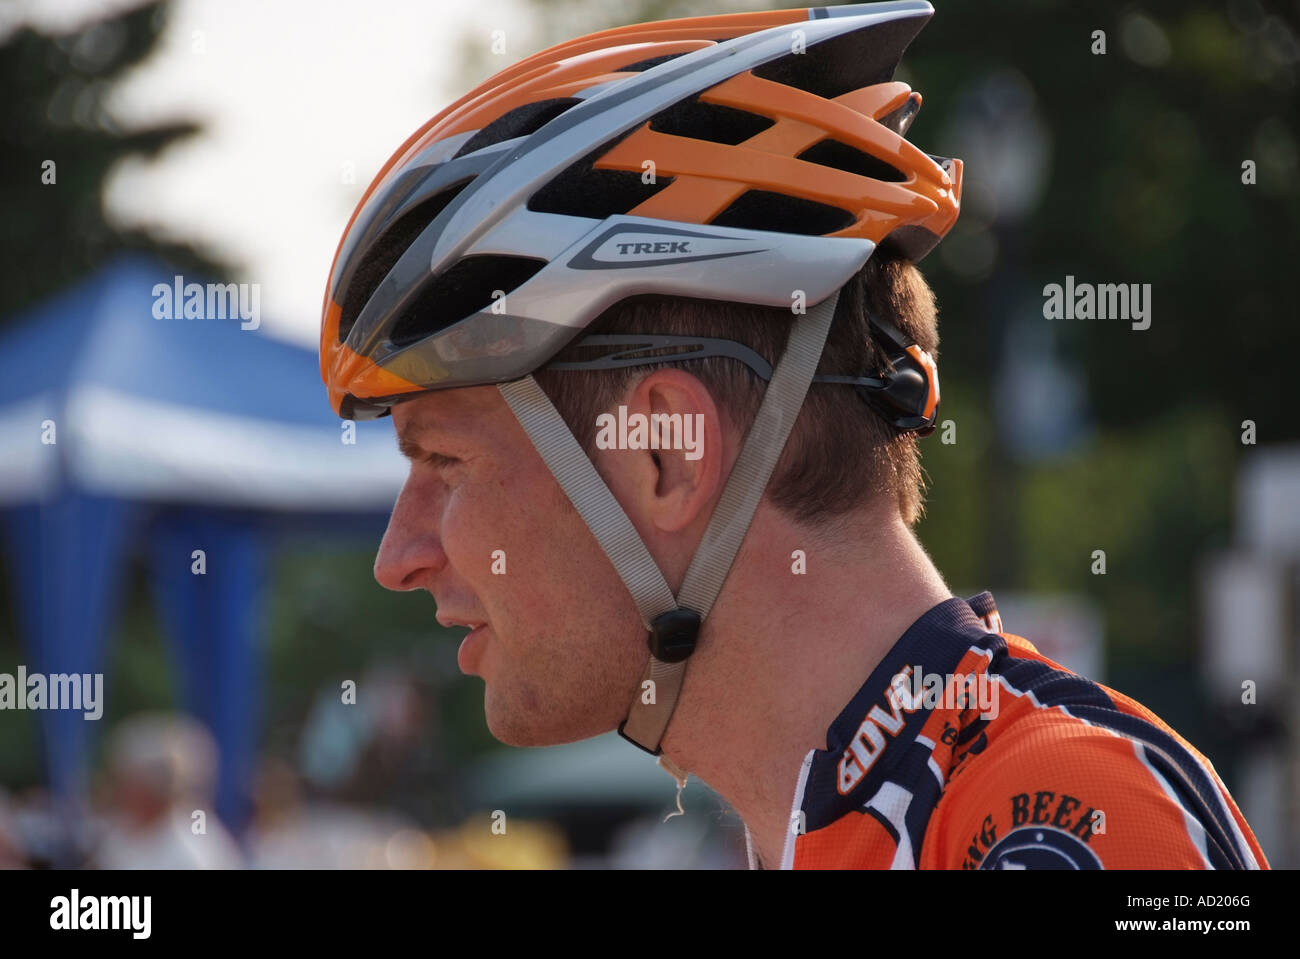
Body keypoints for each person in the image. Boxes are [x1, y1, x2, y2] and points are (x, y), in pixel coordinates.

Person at [318, 1, 1268, 869]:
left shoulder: (1060, 823)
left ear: (667, 453)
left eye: (443, 460)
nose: (398, 556)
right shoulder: (862, 824)